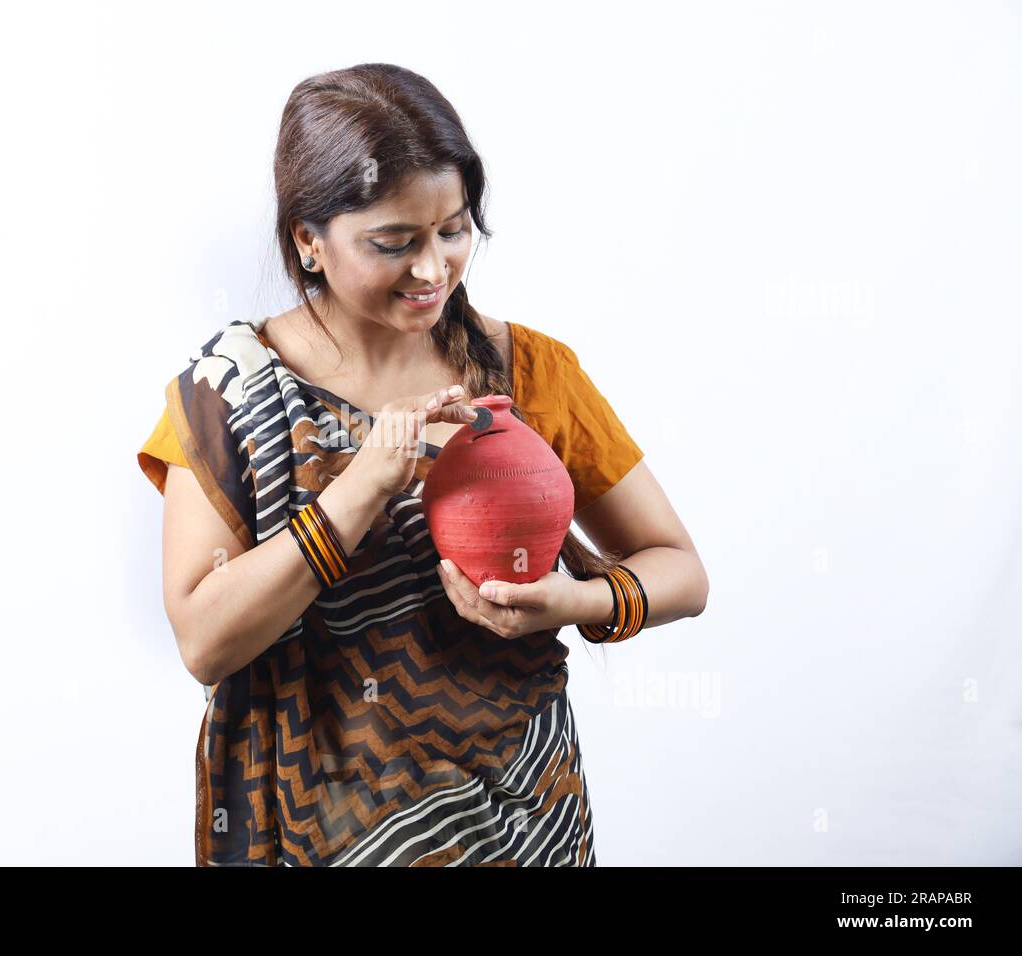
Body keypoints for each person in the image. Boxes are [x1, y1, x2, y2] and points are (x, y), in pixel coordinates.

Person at [137, 63, 709, 866]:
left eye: (454, 230)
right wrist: (363, 485)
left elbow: (682, 572)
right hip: (315, 835)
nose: (434, 268)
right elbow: (204, 641)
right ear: (309, 239)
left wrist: (574, 601)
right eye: (394, 243)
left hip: (525, 825)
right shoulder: (225, 394)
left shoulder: (530, 373)